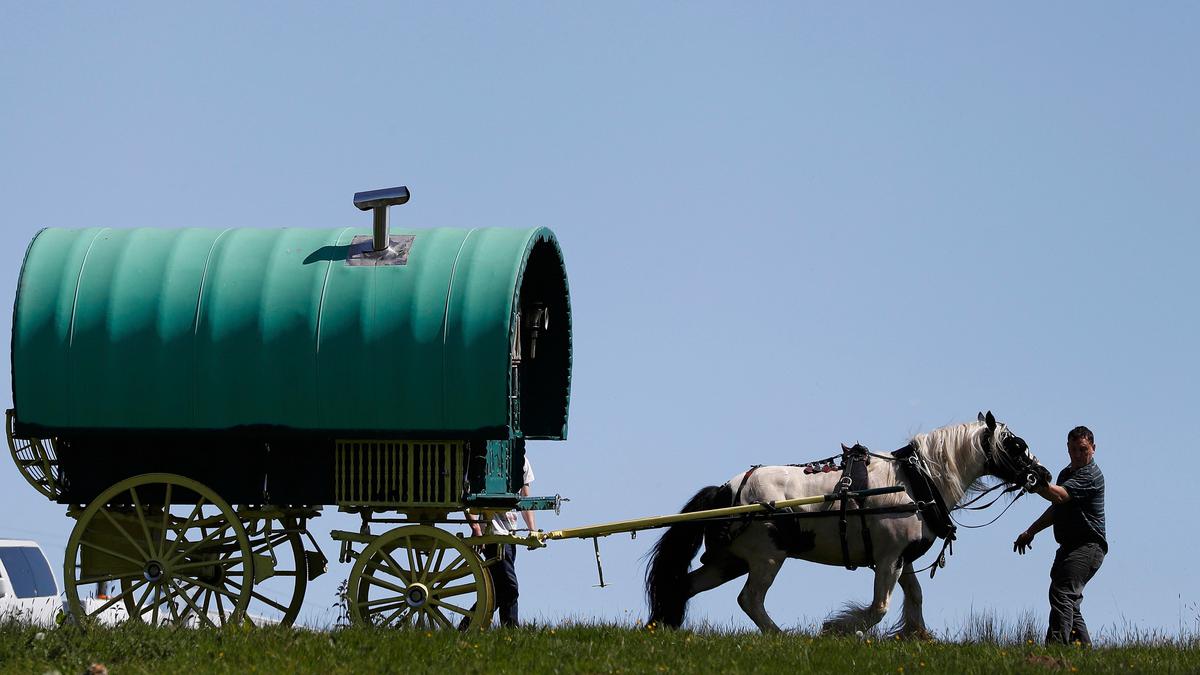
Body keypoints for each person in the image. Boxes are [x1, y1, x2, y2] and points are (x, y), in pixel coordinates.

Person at [1013, 426, 1107, 646]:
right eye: (1073, 449)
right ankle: (1083, 651)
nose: (1078, 454)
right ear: (1067, 448)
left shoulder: (1091, 475)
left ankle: (1055, 648)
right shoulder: (1067, 473)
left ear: (1093, 448)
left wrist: (1037, 483)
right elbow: (1057, 507)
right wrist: (1031, 531)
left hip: (1087, 546)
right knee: (1069, 602)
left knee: (1062, 593)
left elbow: (1059, 496)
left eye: (1083, 449)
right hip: (1070, 547)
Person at [466, 454, 536, 627]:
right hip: (493, 534)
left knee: (497, 589)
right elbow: (466, 495)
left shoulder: (521, 460)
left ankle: (466, 626)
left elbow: (525, 498)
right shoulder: (480, 457)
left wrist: (532, 530)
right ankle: (511, 630)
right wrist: (476, 528)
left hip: (510, 534)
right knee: (510, 587)